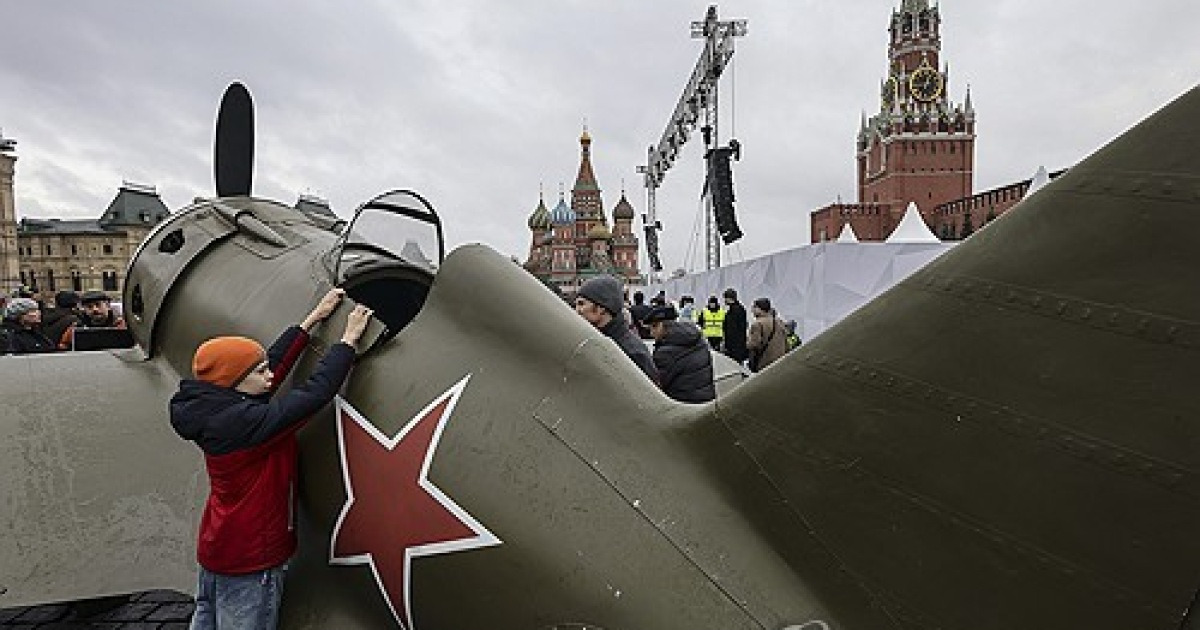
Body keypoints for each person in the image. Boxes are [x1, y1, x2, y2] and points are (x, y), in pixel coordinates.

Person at [170, 289, 373, 630]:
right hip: (252, 560)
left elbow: (266, 368)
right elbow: (314, 394)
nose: (271, 377)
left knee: (205, 621)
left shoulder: (214, 405)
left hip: (219, 549)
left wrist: (312, 320)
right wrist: (348, 341)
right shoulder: (246, 424)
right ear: (235, 383)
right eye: (260, 371)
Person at [575, 276, 658, 383]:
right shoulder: (607, 341)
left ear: (601, 308)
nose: (577, 310)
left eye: (581, 304)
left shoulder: (632, 353)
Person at [645, 304, 715, 403]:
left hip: (682, 406)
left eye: (653, 327)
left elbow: (655, 386)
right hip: (706, 402)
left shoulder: (665, 353)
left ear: (661, 325)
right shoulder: (697, 338)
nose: (651, 333)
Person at [747, 297, 789, 372]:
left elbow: (753, 344)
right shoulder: (779, 322)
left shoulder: (757, 324)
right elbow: (786, 340)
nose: (752, 310)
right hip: (780, 360)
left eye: (754, 307)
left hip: (764, 361)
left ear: (760, 309)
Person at [722, 288, 749, 363]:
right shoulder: (738, 309)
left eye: (725, 298)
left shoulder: (734, 311)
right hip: (737, 345)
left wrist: (727, 344)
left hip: (735, 346)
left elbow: (732, 329)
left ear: (729, 298)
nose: (724, 301)